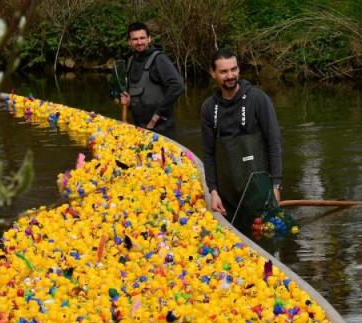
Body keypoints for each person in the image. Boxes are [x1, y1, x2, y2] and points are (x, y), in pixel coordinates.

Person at [200, 48, 283, 234]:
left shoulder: (258, 99)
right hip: (228, 198)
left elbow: (274, 143)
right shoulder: (208, 108)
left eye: (234, 69)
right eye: (224, 71)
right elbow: (208, 153)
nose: (230, 76)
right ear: (213, 73)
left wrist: (276, 186)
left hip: (260, 194)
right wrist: (212, 191)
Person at [118, 22, 184, 136]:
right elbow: (135, 95)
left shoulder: (159, 59)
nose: (139, 42)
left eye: (142, 38)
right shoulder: (130, 62)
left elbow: (178, 86)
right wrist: (128, 103)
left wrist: (156, 117)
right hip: (140, 129)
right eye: (135, 39)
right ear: (129, 42)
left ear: (149, 39)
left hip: (161, 131)